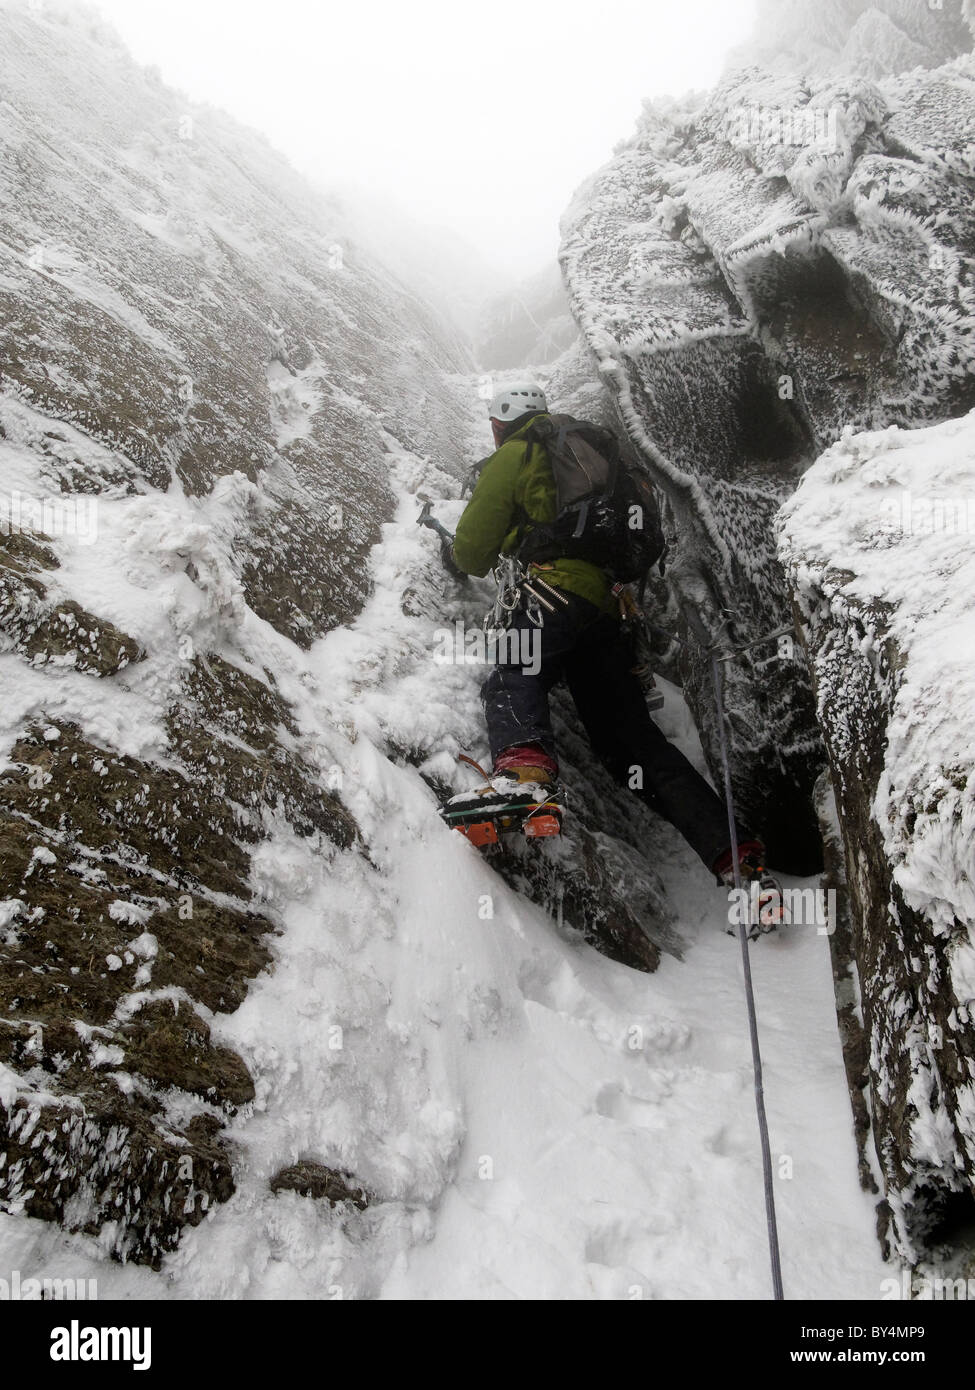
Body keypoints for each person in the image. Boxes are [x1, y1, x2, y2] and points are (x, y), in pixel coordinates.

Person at [442, 381, 775, 896]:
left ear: (501, 423)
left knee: (514, 676)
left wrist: (500, 543)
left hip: (551, 594)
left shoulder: (518, 451)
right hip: (608, 610)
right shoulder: (593, 455)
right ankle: (736, 857)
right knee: (632, 744)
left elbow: (470, 552)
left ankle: (526, 781)